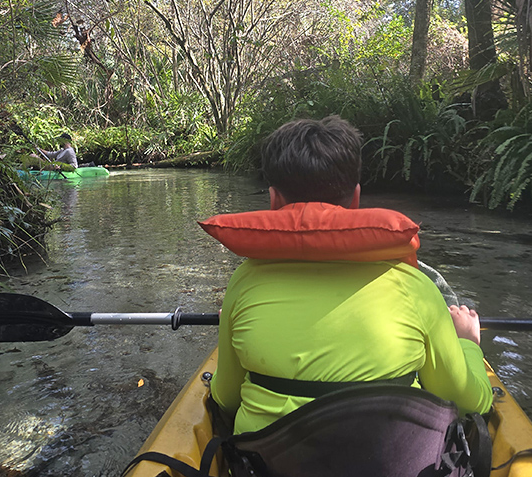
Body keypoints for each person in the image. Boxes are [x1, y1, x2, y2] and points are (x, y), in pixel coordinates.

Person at [209, 116, 493, 436]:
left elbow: (226, 397)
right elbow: (467, 402)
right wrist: (467, 343)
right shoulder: (417, 288)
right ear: (356, 198)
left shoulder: (244, 283)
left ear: (274, 199)